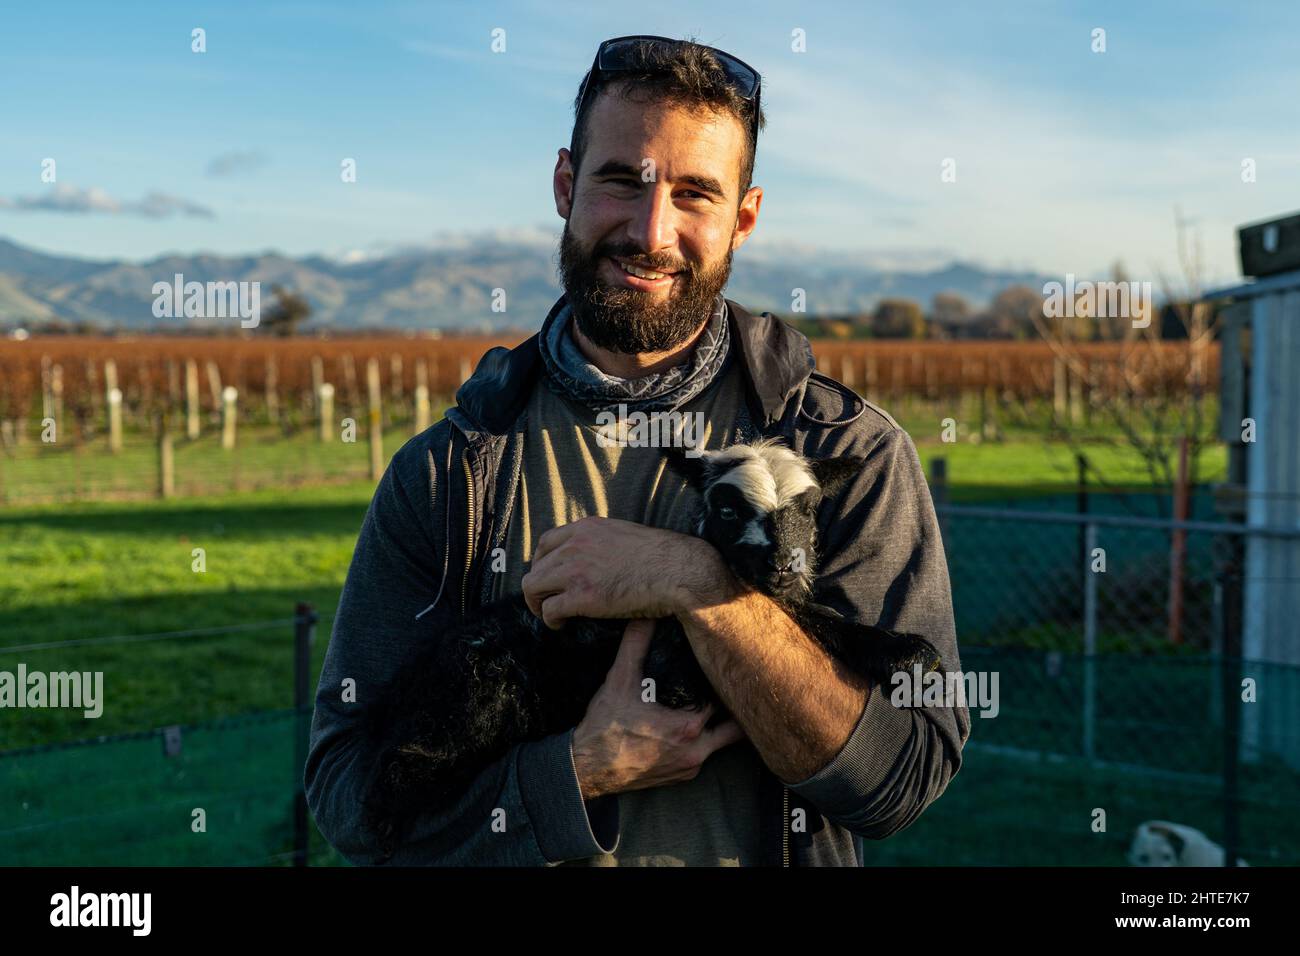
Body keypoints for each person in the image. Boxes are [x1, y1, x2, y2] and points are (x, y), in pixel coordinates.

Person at [305, 34, 969, 866]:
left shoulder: (842, 454)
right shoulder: (451, 472)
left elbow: (898, 780)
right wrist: (573, 773)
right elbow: (346, 799)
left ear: (745, 218)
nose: (652, 231)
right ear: (564, 185)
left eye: (696, 194)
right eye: (623, 180)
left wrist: (696, 584)